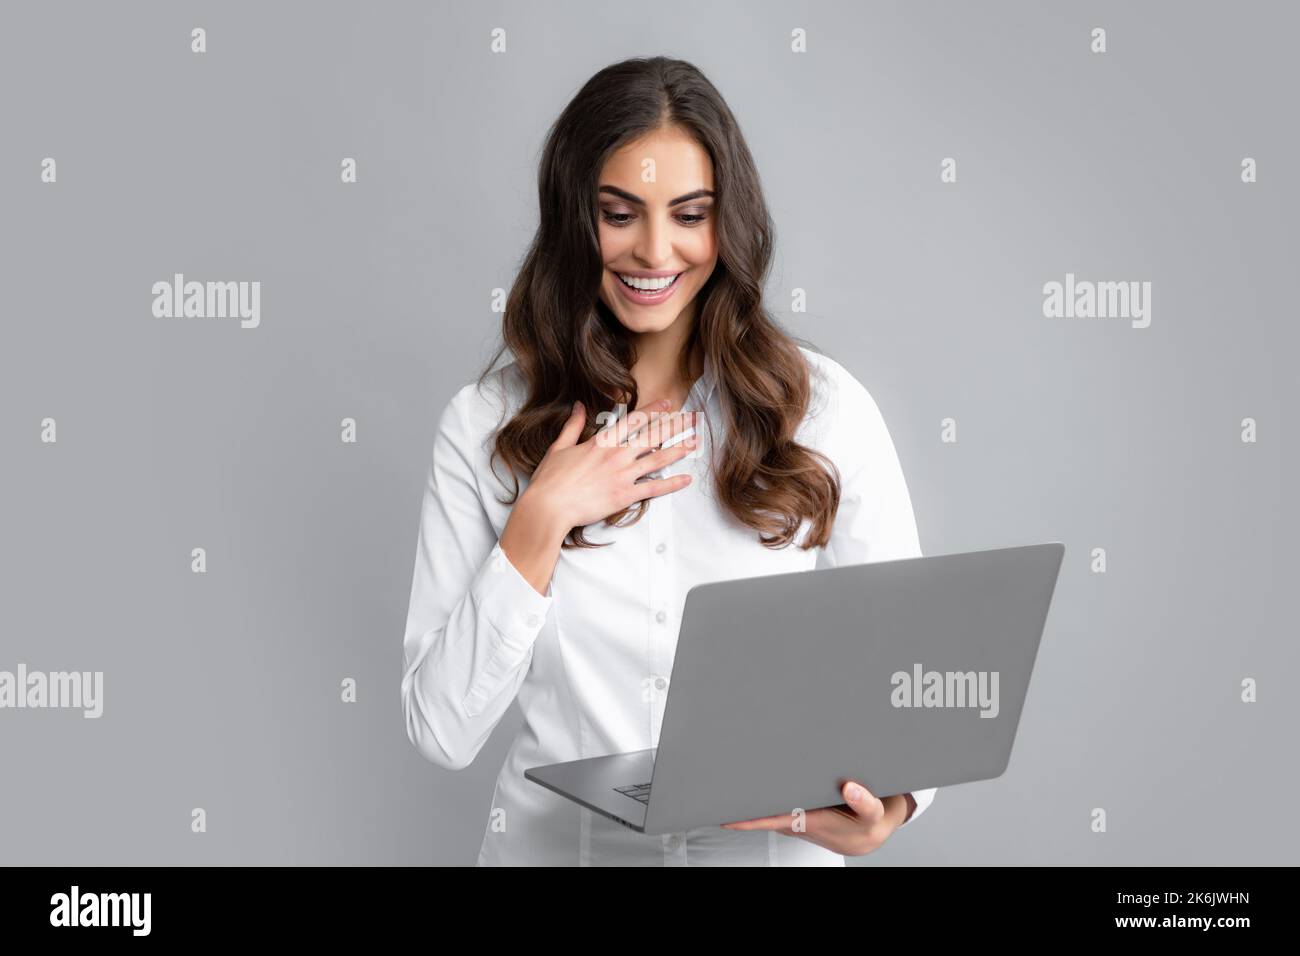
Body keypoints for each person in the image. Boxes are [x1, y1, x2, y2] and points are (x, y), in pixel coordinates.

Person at [401, 55, 936, 865]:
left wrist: (895, 801)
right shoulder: (484, 428)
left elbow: (914, 673)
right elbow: (440, 729)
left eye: (690, 214)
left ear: (731, 224)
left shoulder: (825, 410)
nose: (655, 251)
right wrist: (539, 519)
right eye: (619, 214)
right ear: (573, 218)